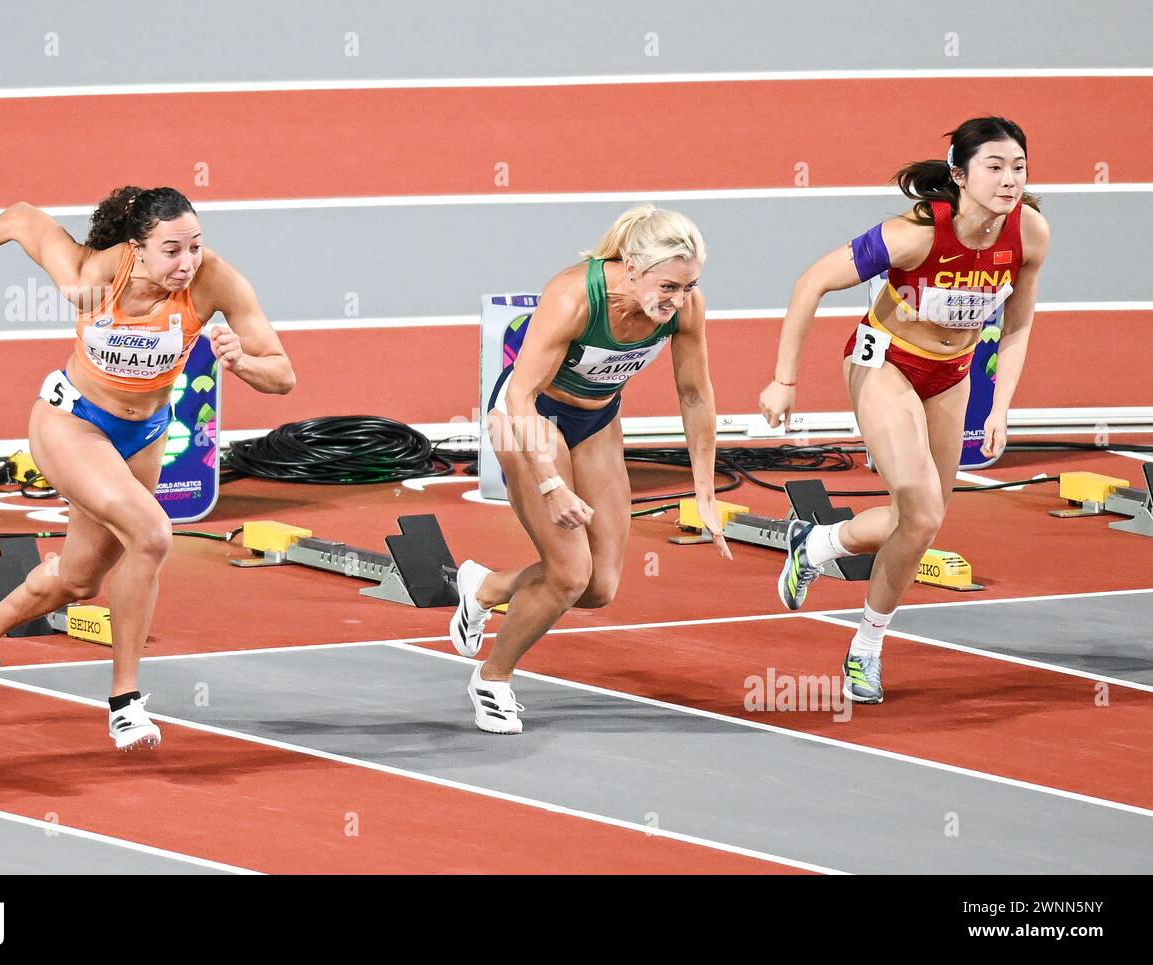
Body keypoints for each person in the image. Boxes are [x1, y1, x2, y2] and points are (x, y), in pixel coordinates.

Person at [0, 186, 296, 748]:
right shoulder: (91, 279)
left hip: (144, 436)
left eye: (195, 246)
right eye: (172, 250)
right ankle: (125, 701)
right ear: (136, 250)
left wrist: (240, 364)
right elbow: (22, 218)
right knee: (152, 534)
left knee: (78, 580)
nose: (187, 262)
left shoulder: (216, 282)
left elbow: (283, 375)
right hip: (73, 423)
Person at [759, 117, 1050, 704]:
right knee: (917, 511)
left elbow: (1016, 327)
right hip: (885, 363)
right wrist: (782, 380)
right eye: (993, 167)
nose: (1009, 179)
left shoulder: (1030, 234)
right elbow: (811, 282)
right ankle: (866, 649)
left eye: (1018, 166)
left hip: (953, 374)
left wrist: (1000, 409)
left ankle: (815, 546)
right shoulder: (912, 235)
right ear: (959, 175)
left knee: (921, 521)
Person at [450, 204, 730, 734]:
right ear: (631, 267)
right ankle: (493, 679)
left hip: (597, 419)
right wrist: (552, 485)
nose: (677, 301)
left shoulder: (686, 309)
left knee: (599, 587)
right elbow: (521, 397)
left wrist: (705, 493)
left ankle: (485, 588)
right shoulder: (573, 298)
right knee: (568, 574)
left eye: (689, 286)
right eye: (668, 286)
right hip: (528, 419)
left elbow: (694, 395)